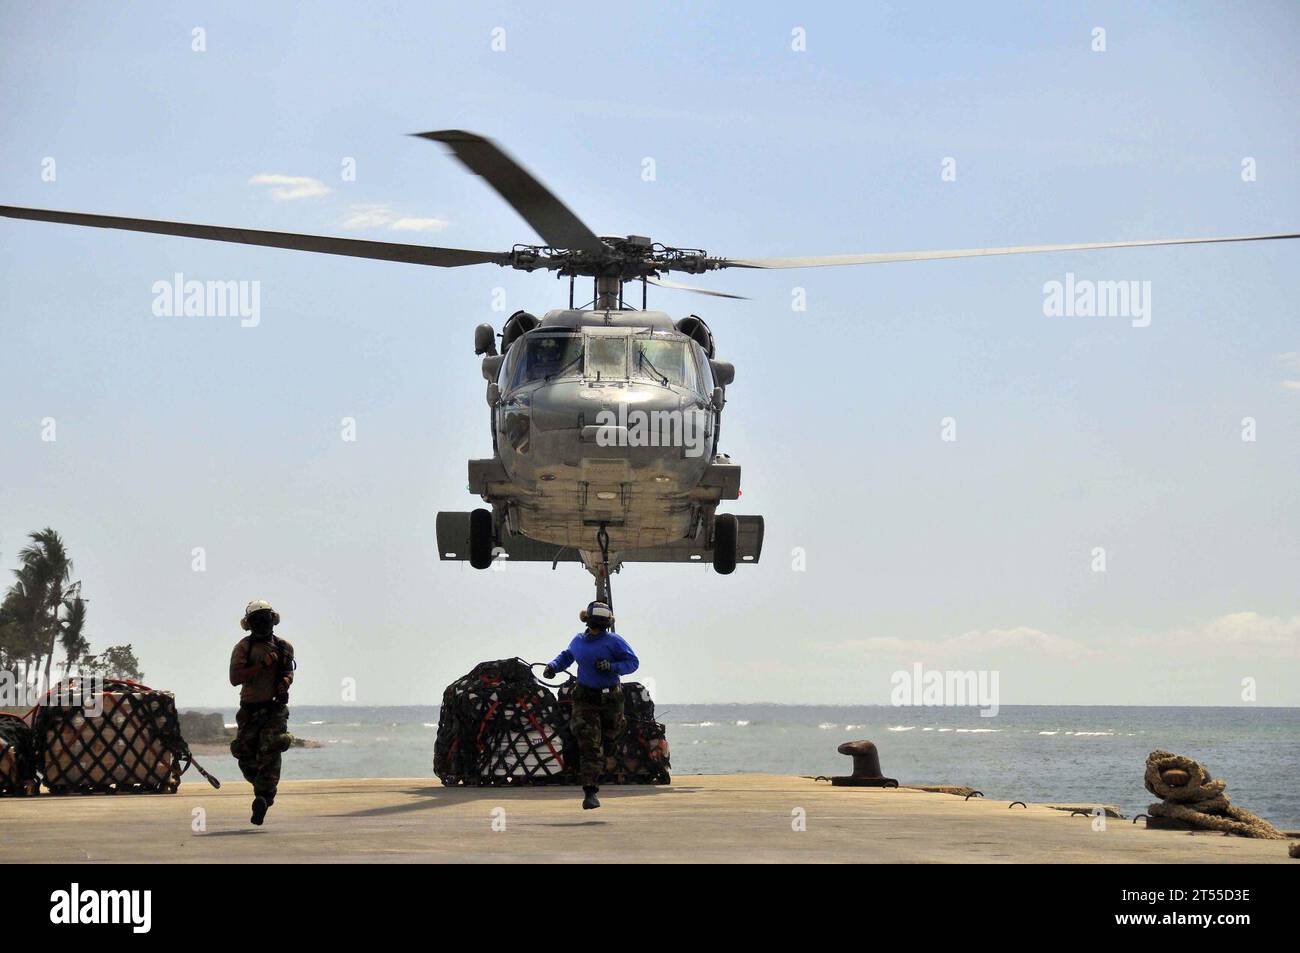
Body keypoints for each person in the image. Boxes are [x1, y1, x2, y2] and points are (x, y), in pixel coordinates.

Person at [543, 601, 638, 809]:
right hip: (585, 699)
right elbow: (568, 655)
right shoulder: (578, 641)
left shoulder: (615, 642)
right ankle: (590, 792)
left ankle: (598, 766)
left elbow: (632, 663)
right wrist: (553, 667)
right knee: (590, 745)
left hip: (611, 700)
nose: (599, 627)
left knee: (610, 740)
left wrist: (611, 667)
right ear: (589, 621)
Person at [228, 600, 295, 825]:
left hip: (274, 709)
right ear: (250, 624)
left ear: (272, 620)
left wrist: (285, 683)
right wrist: (261, 666)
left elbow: (288, 671)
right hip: (250, 709)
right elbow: (235, 678)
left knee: (270, 749)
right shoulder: (243, 648)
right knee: (244, 755)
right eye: (257, 620)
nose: (262, 624)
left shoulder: (284, 647)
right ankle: (263, 792)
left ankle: (263, 798)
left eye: (265, 619)